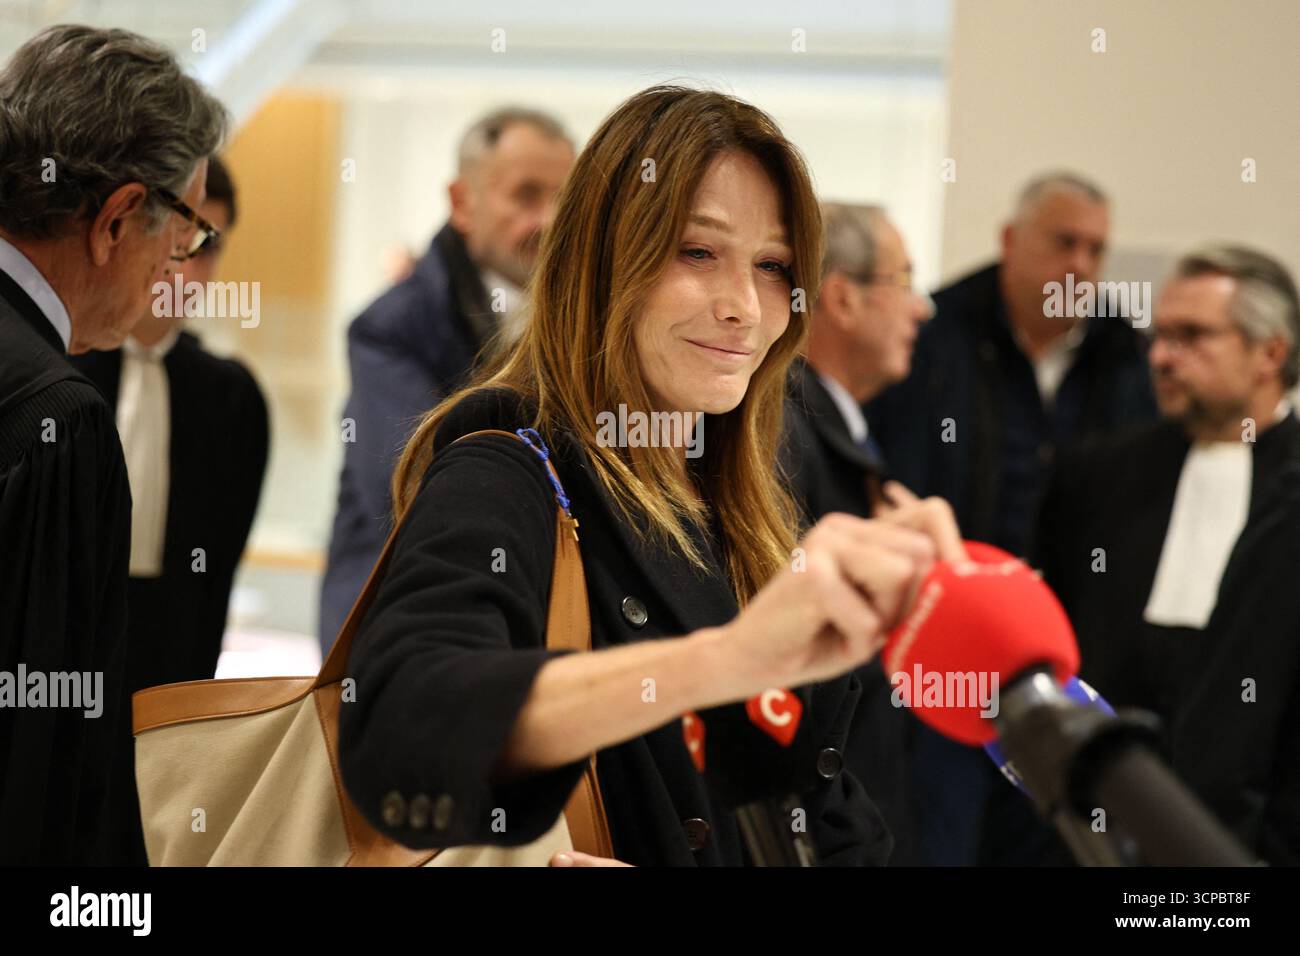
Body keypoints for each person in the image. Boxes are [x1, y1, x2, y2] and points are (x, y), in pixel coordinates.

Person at [338, 85, 966, 866]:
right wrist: (730, 659)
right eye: (696, 252)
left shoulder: (747, 510)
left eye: (772, 265)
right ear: (603, 262)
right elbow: (401, 731)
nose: (743, 305)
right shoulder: (504, 463)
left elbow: (827, 823)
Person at [867, 172, 1157, 865]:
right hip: (947, 658)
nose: (1081, 265)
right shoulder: (936, 335)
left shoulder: (1125, 355)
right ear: (1009, 241)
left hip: (1068, 665)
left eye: (1096, 249)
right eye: (1064, 242)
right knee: (938, 842)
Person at [0, 24, 226, 864]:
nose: (169, 277)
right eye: (179, 245)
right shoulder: (59, 417)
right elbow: (51, 761)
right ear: (119, 218)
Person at [1034, 245, 1300, 864]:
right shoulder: (1099, 472)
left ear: (1270, 353)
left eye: (1192, 337)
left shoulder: (1292, 485)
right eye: (1159, 336)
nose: (1159, 357)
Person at [319, 107, 575, 652]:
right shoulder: (391, 327)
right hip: (401, 634)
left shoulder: (574, 321)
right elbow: (406, 490)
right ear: (463, 202)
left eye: (565, 198)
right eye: (526, 195)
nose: (550, 219)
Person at [72, 154, 269, 693]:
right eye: (178, 238)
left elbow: (216, 578)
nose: (185, 267)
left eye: (210, 246)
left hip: (168, 668)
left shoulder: (231, 398)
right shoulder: (58, 373)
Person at [781, 202, 933, 863]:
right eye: (905, 280)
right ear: (841, 297)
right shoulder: (785, 429)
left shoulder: (830, 423)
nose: (922, 308)